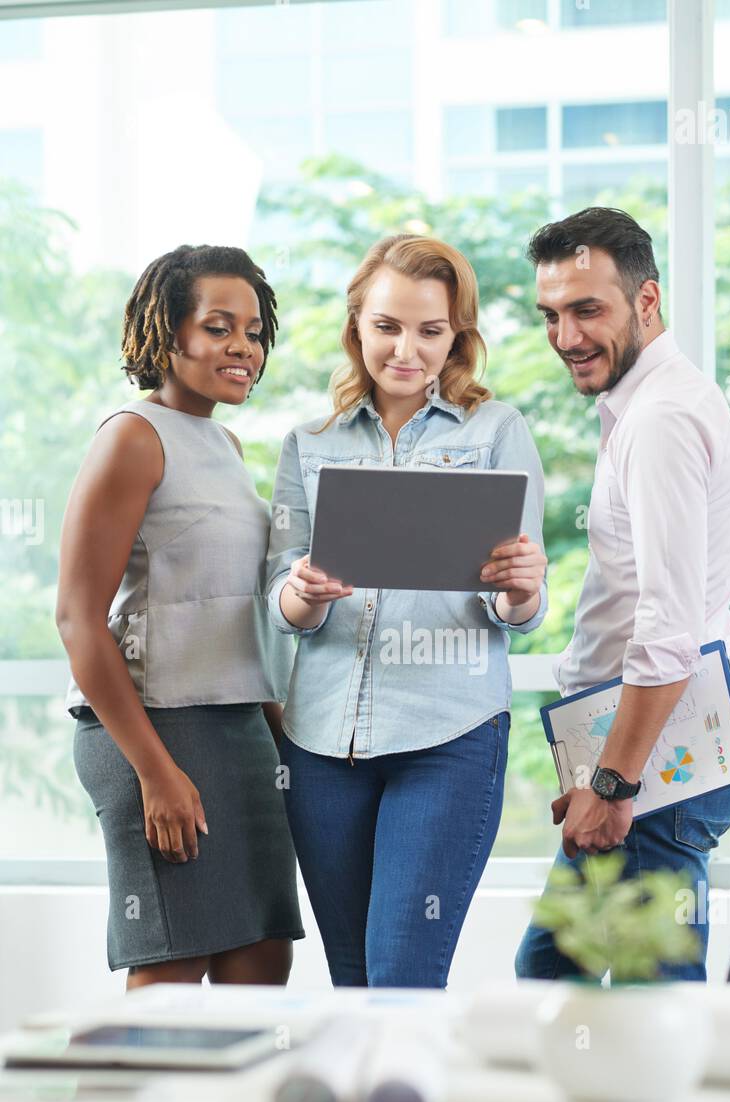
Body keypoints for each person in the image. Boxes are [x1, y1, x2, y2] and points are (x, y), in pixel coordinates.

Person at [267, 233, 547, 988]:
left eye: (431, 330)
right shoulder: (309, 444)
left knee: (402, 976)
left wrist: (520, 586)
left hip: (447, 737)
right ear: (356, 325)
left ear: (457, 334)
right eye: (387, 326)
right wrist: (300, 592)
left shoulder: (498, 433)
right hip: (321, 745)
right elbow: (278, 599)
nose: (407, 350)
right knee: (354, 981)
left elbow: (520, 611)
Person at [56, 244, 303, 989]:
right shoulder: (133, 437)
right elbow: (76, 619)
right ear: (168, 335)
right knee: (176, 967)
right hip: (156, 730)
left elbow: (235, 610)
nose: (243, 349)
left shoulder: (223, 443)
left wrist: (279, 732)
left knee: (263, 957)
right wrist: (156, 773)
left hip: (239, 730)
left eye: (255, 332)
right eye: (219, 327)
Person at [515, 207, 730, 984]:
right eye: (551, 314)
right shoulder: (647, 406)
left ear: (645, 302)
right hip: (640, 754)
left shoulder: (660, 419)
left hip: (651, 767)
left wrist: (613, 785)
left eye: (588, 310)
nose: (566, 337)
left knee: (644, 999)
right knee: (554, 980)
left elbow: (665, 624)